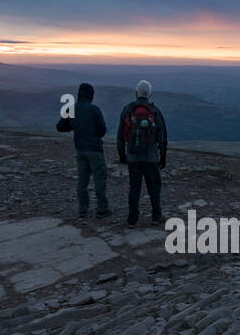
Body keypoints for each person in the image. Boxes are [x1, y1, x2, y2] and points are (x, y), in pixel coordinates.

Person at [116, 79, 168, 227]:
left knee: (134, 187)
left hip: (133, 156)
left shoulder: (128, 110)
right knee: (154, 186)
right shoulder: (155, 111)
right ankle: (156, 217)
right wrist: (162, 157)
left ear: (136, 92)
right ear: (150, 94)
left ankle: (132, 220)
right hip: (151, 157)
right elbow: (162, 136)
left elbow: (120, 135)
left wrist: (122, 156)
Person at [56, 82, 110, 218]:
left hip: (80, 149)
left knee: (82, 180)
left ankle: (82, 209)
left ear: (79, 94)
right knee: (99, 180)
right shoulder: (94, 109)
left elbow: (60, 127)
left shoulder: (72, 109)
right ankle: (102, 210)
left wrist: (74, 127)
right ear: (91, 95)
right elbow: (102, 130)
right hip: (95, 150)